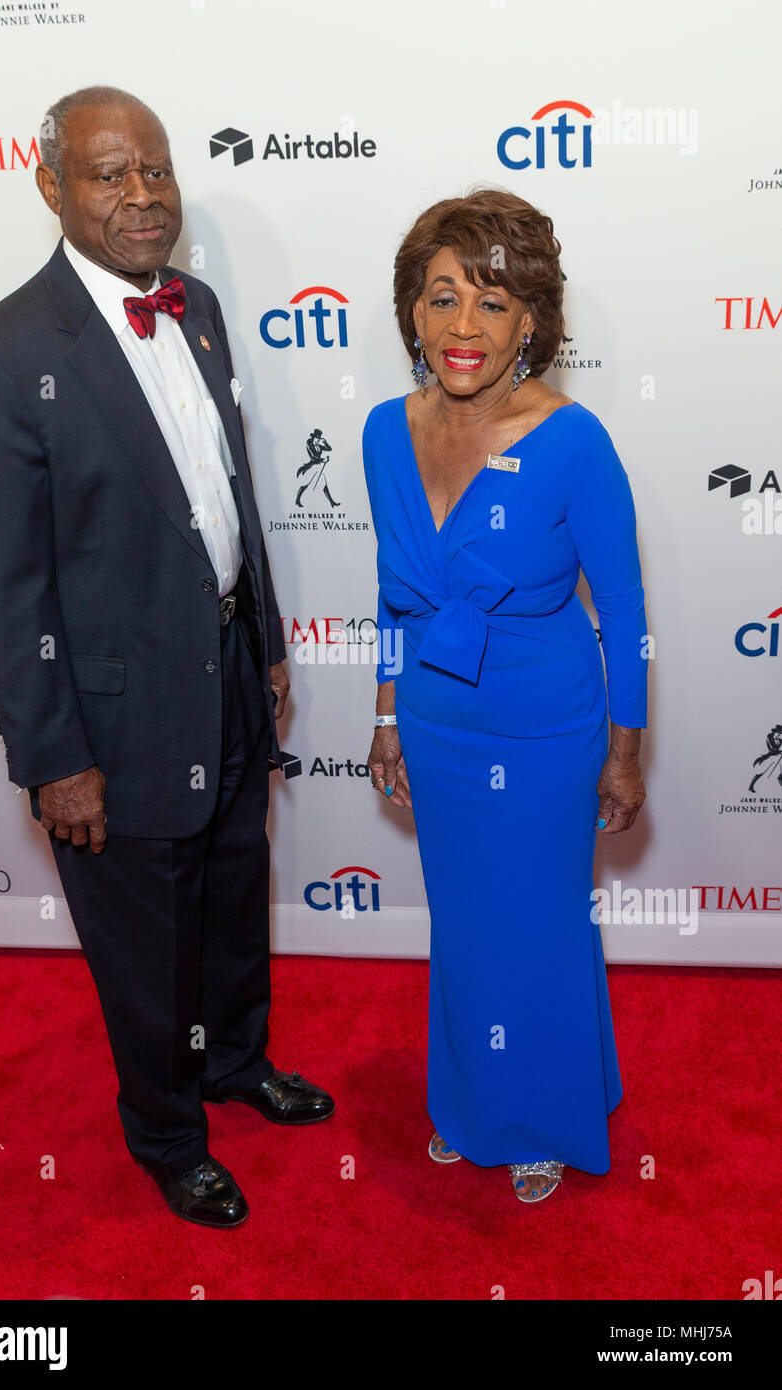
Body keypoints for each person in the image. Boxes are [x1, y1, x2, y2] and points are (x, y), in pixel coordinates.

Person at [0, 85, 333, 1230]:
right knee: (145, 939)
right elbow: (1, 588)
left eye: (155, 169)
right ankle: (166, 1132)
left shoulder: (196, 306)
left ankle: (234, 1064)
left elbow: (223, 495)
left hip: (224, 674)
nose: (144, 193)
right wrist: (53, 754)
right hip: (109, 719)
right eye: (112, 173)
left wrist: (257, 640)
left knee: (227, 894)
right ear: (49, 184)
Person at [363, 189, 647, 1204]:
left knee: (537, 919)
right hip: (438, 724)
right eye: (441, 298)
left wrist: (625, 747)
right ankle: (472, 1100)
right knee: (467, 918)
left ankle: (541, 1114)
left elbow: (619, 603)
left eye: (491, 301)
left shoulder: (572, 442)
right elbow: (395, 596)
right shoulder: (380, 433)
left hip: (543, 723)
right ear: (411, 313)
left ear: (531, 318)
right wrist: (388, 713)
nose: (463, 327)